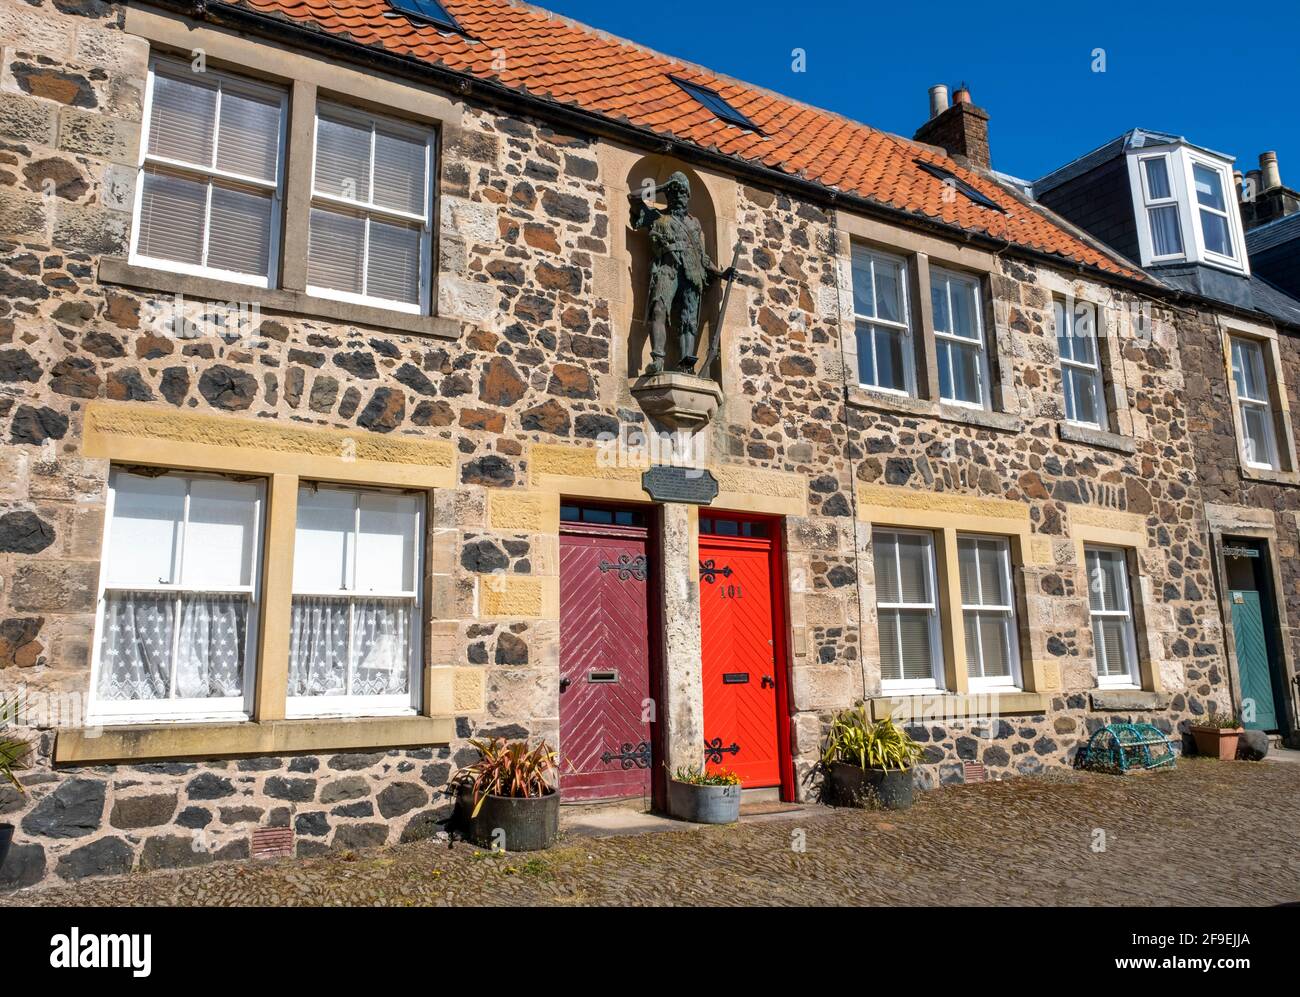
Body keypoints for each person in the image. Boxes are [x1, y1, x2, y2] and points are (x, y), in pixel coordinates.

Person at [629, 172, 736, 374]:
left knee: (688, 320)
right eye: (675, 193)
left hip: (692, 271)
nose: (680, 197)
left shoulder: (694, 223)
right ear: (668, 196)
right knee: (658, 310)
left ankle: (686, 365)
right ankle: (658, 360)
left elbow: (702, 255)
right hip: (666, 269)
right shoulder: (657, 217)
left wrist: (720, 273)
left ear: (688, 196)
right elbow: (633, 198)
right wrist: (662, 187)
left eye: (683, 193)